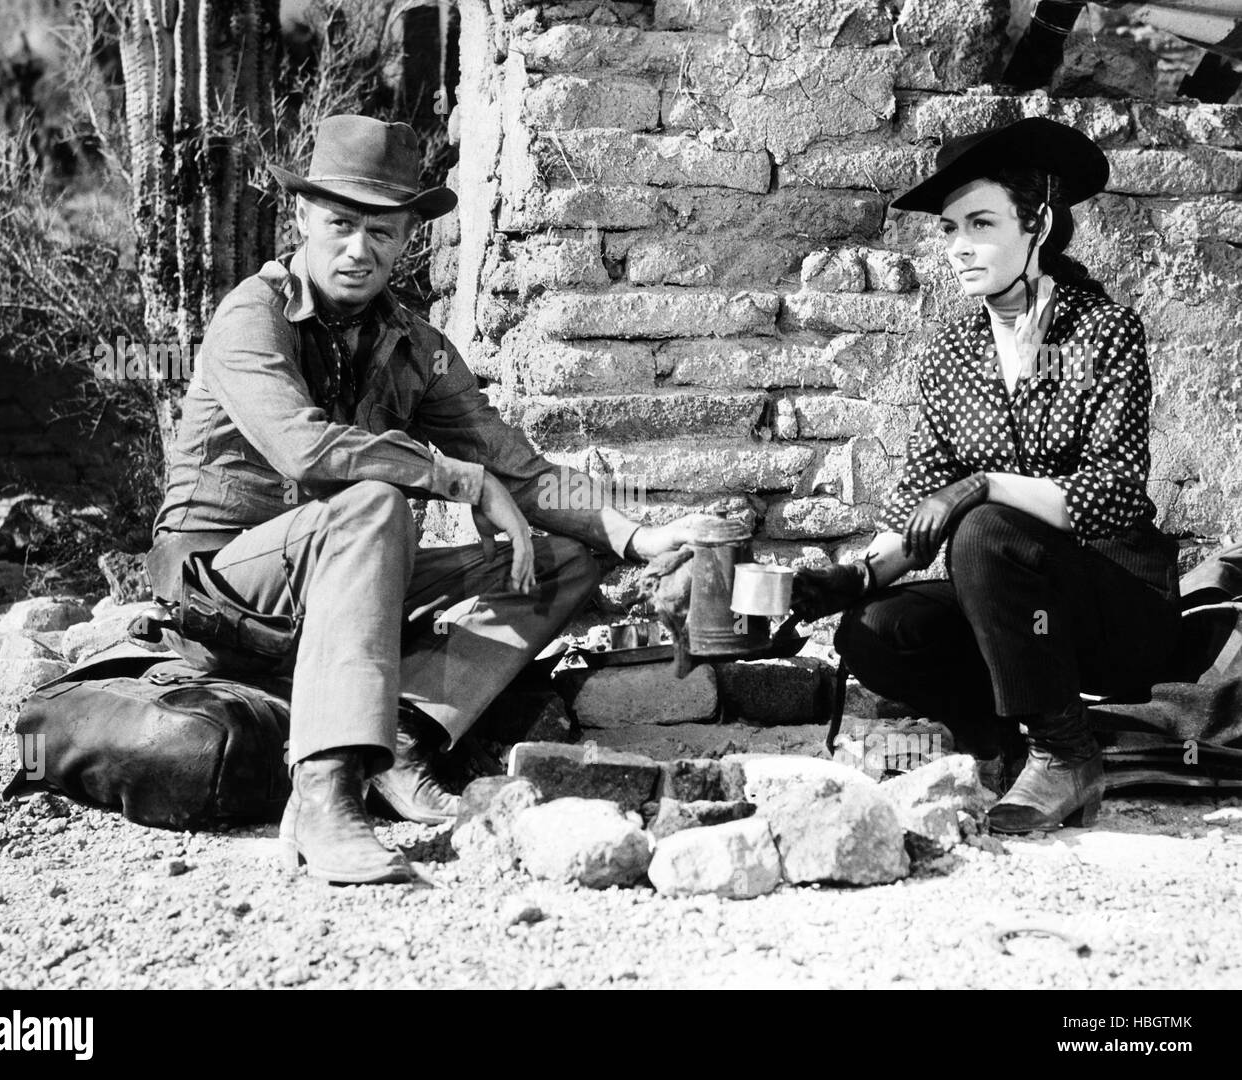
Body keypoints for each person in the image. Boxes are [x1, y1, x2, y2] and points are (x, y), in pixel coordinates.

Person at [145, 115, 708, 884]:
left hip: (344, 580)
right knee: (376, 503)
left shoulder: (416, 346)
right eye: (341, 224)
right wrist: (454, 478)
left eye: (382, 231)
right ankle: (325, 793)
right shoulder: (253, 315)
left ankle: (405, 733)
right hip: (225, 593)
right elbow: (303, 449)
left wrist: (639, 536)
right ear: (303, 217)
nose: (359, 249)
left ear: (408, 237)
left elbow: (520, 470)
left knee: (564, 557)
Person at [789, 118, 1182, 834]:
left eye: (982, 223)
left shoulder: (1102, 333)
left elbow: (1117, 491)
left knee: (984, 527)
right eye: (950, 229)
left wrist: (986, 484)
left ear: (1039, 226)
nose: (959, 247)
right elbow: (923, 496)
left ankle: (1066, 754)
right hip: (1011, 610)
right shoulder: (950, 355)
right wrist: (857, 576)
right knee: (875, 629)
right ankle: (1003, 746)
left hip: (1114, 603)